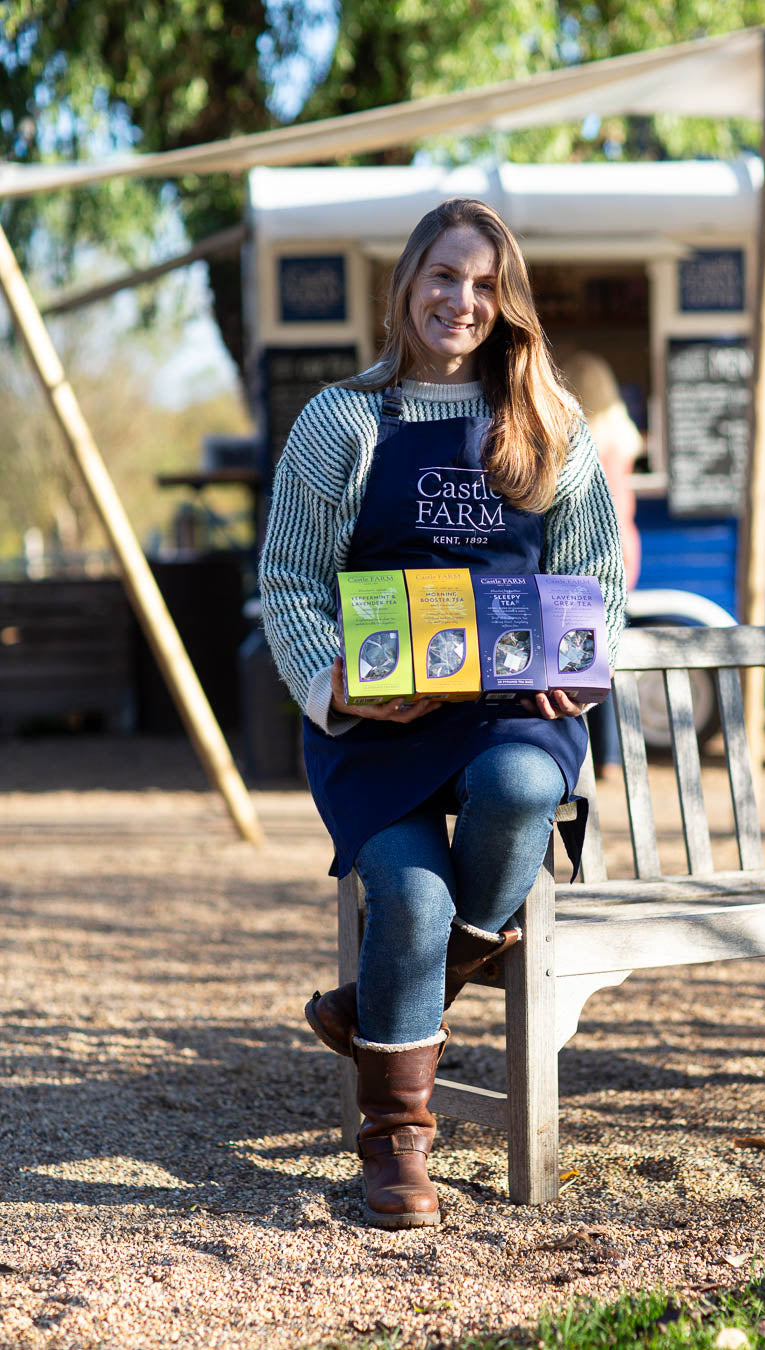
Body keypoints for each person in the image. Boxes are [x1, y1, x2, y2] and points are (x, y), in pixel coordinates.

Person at [259, 198, 626, 1230]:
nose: (462, 300)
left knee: (521, 788)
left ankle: (393, 997)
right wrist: (334, 680)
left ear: (508, 303)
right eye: (443, 276)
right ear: (407, 285)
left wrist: (580, 667)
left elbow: (595, 575)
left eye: (484, 284)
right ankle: (395, 1144)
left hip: (513, 707)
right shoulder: (342, 421)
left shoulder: (549, 420)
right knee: (410, 904)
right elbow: (289, 581)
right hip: (378, 722)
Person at [563, 351, 643, 776]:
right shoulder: (623, 434)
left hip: (596, 548)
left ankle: (599, 754)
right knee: (604, 646)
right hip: (626, 545)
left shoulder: (582, 439)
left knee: (585, 651)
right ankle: (611, 756)